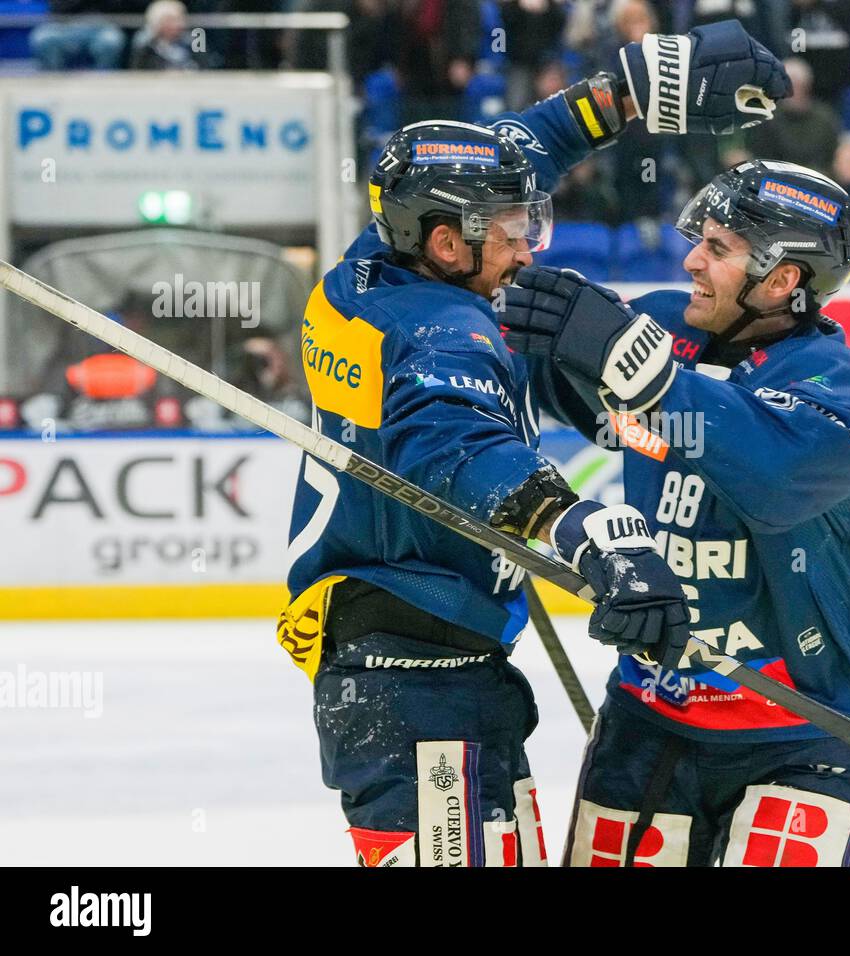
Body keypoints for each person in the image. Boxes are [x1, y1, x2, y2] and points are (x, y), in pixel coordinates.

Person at [278, 21, 791, 867]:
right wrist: (589, 534)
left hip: (422, 666)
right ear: (447, 242)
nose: (528, 246)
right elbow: (463, 456)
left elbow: (516, 147)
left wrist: (616, 99)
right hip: (412, 684)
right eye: (510, 230)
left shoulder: (376, 264)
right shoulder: (442, 334)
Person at [502, 160, 850, 867]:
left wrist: (645, 376)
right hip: (648, 719)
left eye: (717, 248)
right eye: (698, 240)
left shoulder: (845, 393)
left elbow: (769, 474)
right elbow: (561, 393)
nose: (691, 261)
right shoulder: (659, 327)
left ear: (780, 282)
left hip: (801, 733)